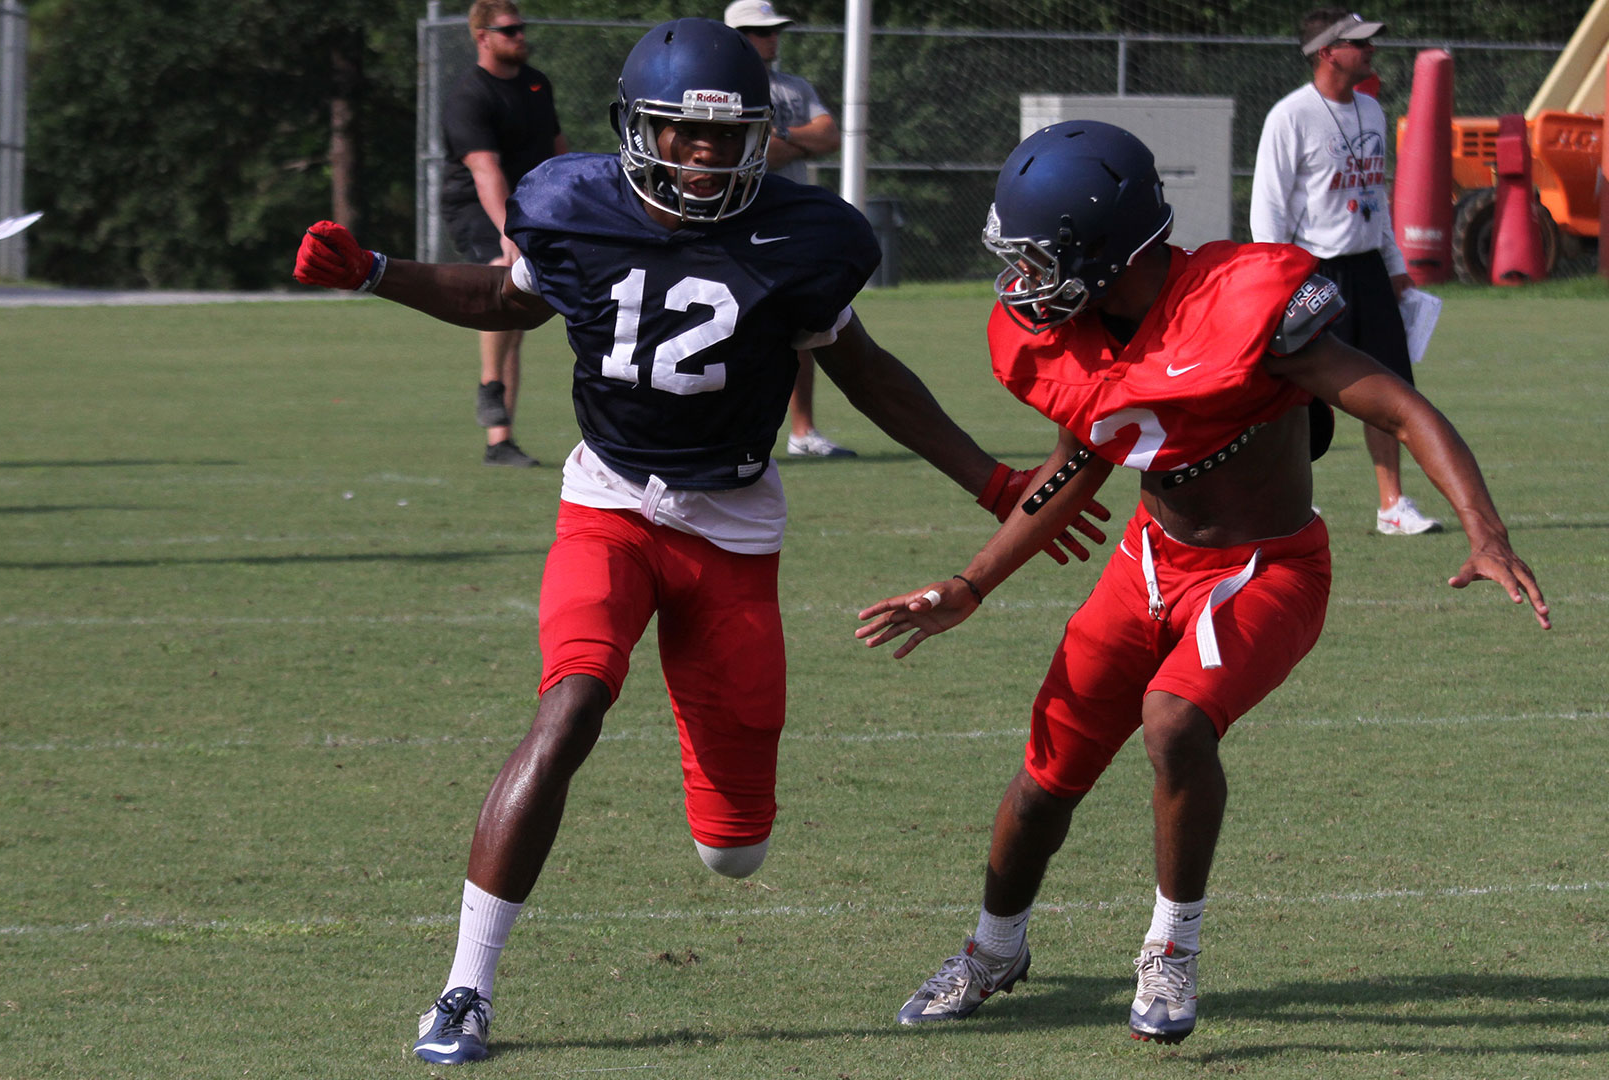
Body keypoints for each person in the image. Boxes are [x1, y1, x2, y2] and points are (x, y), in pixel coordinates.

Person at [291, 18, 1107, 1065]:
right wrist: (377, 271)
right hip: (611, 506)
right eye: (685, 136)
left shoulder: (811, 236)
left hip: (733, 533)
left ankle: (698, 726)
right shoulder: (568, 203)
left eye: (731, 138)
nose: (709, 157)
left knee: (736, 851)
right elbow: (506, 298)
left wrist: (992, 481)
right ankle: (463, 990)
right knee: (571, 702)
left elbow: (867, 371)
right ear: (640, 129)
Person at [858, 122, 1549, 1045]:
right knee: (1043, 781)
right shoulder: (1071, 332)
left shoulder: (1244, 302)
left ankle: (1172, 950)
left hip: (1265, 568)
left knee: (1174, 720)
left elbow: (1401, 403)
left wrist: (1485, 530)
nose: (1021, 281)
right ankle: (992, 951)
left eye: (1039, 257)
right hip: (1147, 561)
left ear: (1104, 252)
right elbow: (1079, 462)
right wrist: (969, 585)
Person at [1251, 9, 1441, 536]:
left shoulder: (1373, 111)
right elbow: (1269, 207)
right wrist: (1273, 280)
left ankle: (1392, 506)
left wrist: (1395, 264)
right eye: (1358, 43)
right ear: (1326, 52)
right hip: (1314, 271)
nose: (1370, 50)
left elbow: (1374, 197)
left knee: (1389, 385)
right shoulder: (1290, 116)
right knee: (1297, 393)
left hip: (1368, 269)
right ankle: (1287, 500)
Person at [722, 0, 853, 458]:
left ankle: (803, 432)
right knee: (733, 329)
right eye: (760, 32)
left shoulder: (794, 86)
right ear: (736, 35)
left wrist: (783, 137)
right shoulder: (724, 83)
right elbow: (753, 151)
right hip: (737, 221)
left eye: (774, 30)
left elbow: (829, 136)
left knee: (803, 327)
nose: (771, 38)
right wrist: (792, 141)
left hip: (788, 223)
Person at [440, 0, 567, 467]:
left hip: (528, 202)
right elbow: (484, 170)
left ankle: (499, 443)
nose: (519, 36)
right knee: (503, 277)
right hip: (475, 205)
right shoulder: (469, 96)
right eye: (508, 30)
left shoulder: (537, 84)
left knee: (522, 307)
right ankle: (491, 385)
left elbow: (557, 149)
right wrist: (506, 231)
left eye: (521, 28)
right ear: (482, 37)